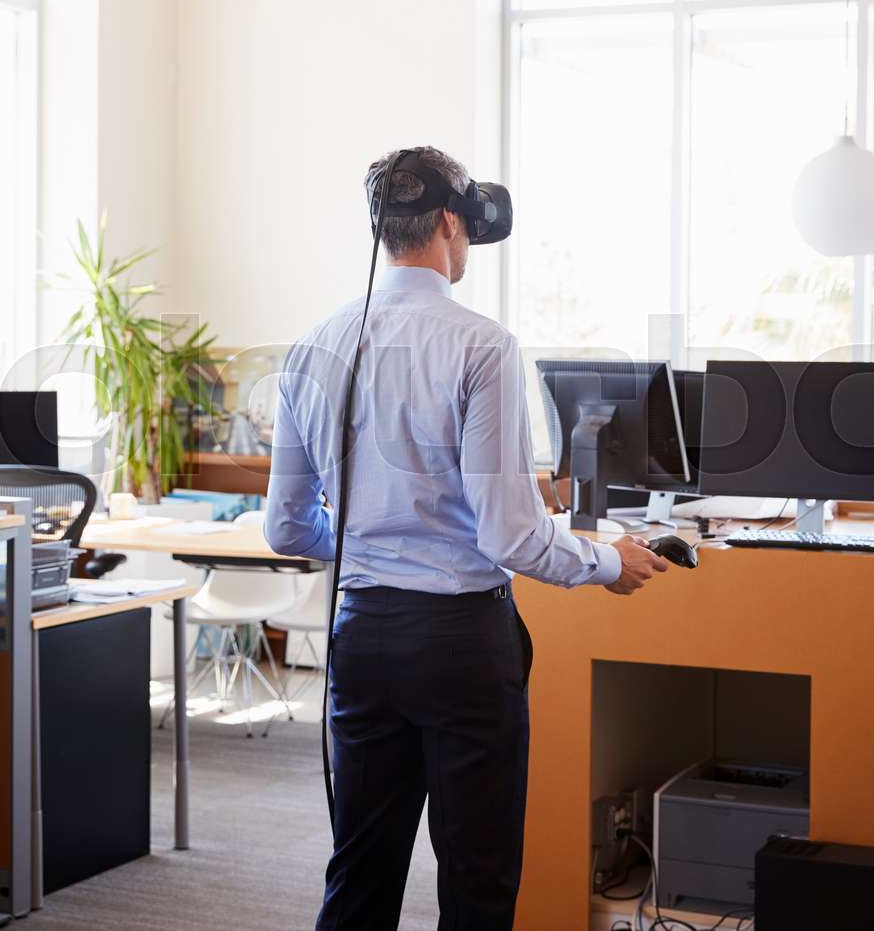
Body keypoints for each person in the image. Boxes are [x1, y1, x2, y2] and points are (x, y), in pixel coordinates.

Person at [264, 145, 666, 930]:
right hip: (460, 646)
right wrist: (606, 561)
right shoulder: (482, 344)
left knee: (359, 873)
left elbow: (285, 527)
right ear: (450, 222)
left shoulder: (312, 347)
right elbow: (510, 534)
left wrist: (368, 536)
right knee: (477, 881)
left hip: (362, 637)